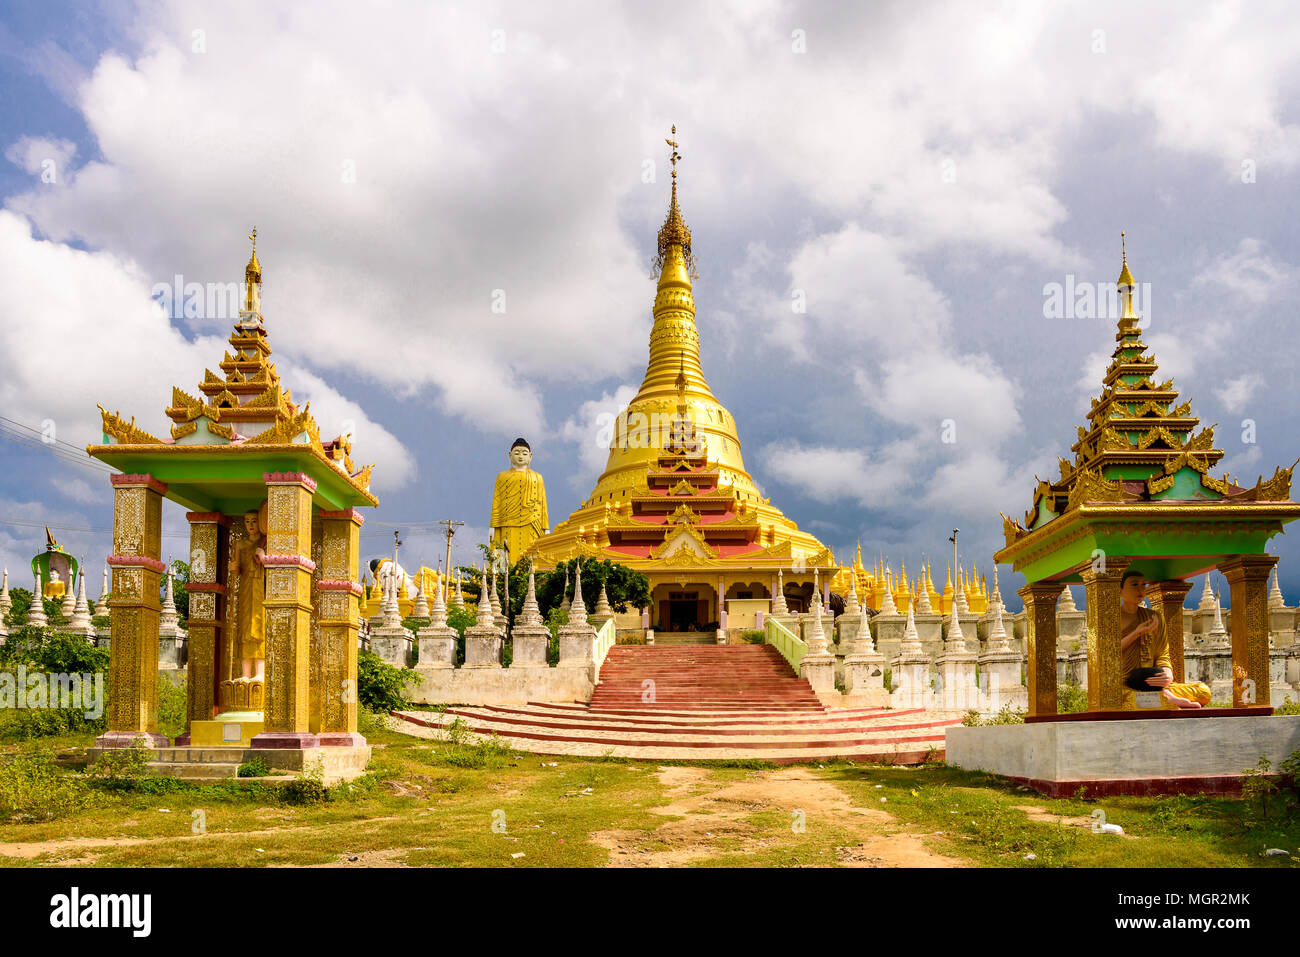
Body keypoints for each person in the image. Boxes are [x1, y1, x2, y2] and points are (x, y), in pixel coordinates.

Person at [1119, 569, 1210, 709]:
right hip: (1124, 684)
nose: (1140, 589)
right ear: (1120, 590)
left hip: (1152, 681)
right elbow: (1107, 653)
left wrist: (1167, 672)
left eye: (1143, 585)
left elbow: (1162, 654)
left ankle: (1165, 696)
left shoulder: (1154, 617)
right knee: (1132, 701)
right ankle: (1166, 698)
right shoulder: (1112, 618)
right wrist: (1136, 633)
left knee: (1203, 692)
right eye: (1134, 584)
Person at [229, 504, 267, 687]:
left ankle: (260, 672)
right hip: (245, 587)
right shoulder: (240, 544)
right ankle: (245, 673)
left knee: (259, 625)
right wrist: (233, 568)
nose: (250, 525)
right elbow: (236, 569)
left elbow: (276, 567)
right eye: (247, 521)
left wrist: (264, 557)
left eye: (254, 521)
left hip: (260, 586)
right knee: (244, 626)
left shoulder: (267, 543)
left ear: (261, 522)